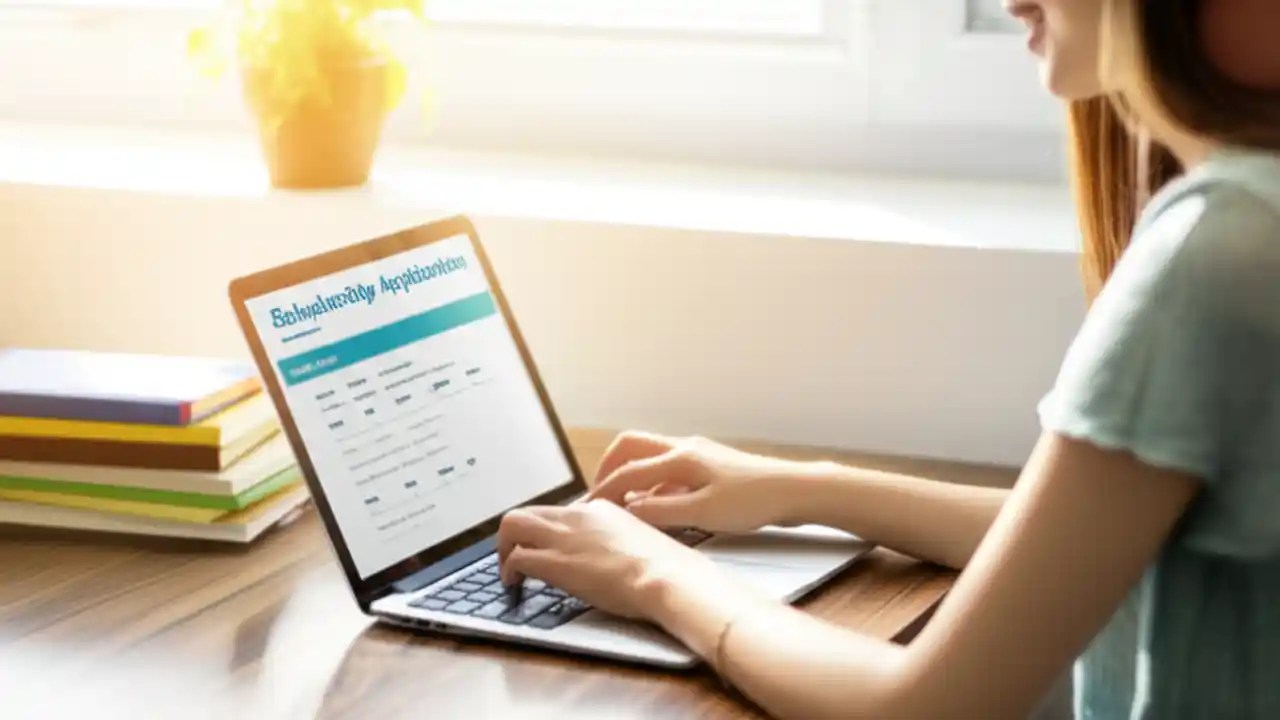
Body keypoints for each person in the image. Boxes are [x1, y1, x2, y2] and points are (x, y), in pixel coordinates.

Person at [495, 0, 1280, 717]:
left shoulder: (1215, 255)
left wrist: (650, 573)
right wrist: (805, 488)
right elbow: (1083, 539)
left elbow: (920, 707)